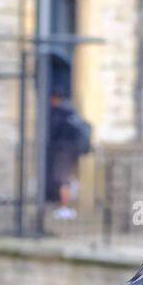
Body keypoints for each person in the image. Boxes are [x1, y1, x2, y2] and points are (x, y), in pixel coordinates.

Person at [46, 91, 92, 219]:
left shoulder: (60, 113)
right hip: (71, 150)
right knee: (68, 178)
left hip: (63, 150)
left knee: (63, 180)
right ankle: (69, 205)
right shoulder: (71, 111)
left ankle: (67, 208)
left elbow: (55, 132)